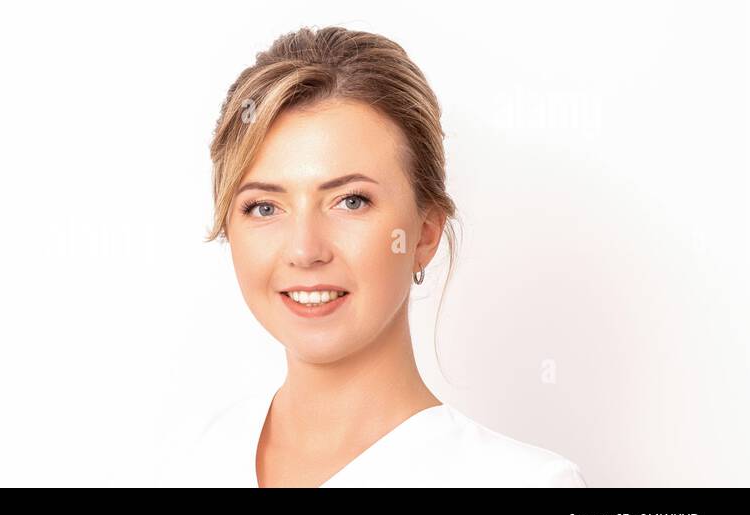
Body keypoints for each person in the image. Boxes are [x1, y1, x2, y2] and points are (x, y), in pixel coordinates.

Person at [156, 26, 587, 488]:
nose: (305, 250)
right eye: (264, 207)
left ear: (425, 234)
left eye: (351, 201)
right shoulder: (190, 459)